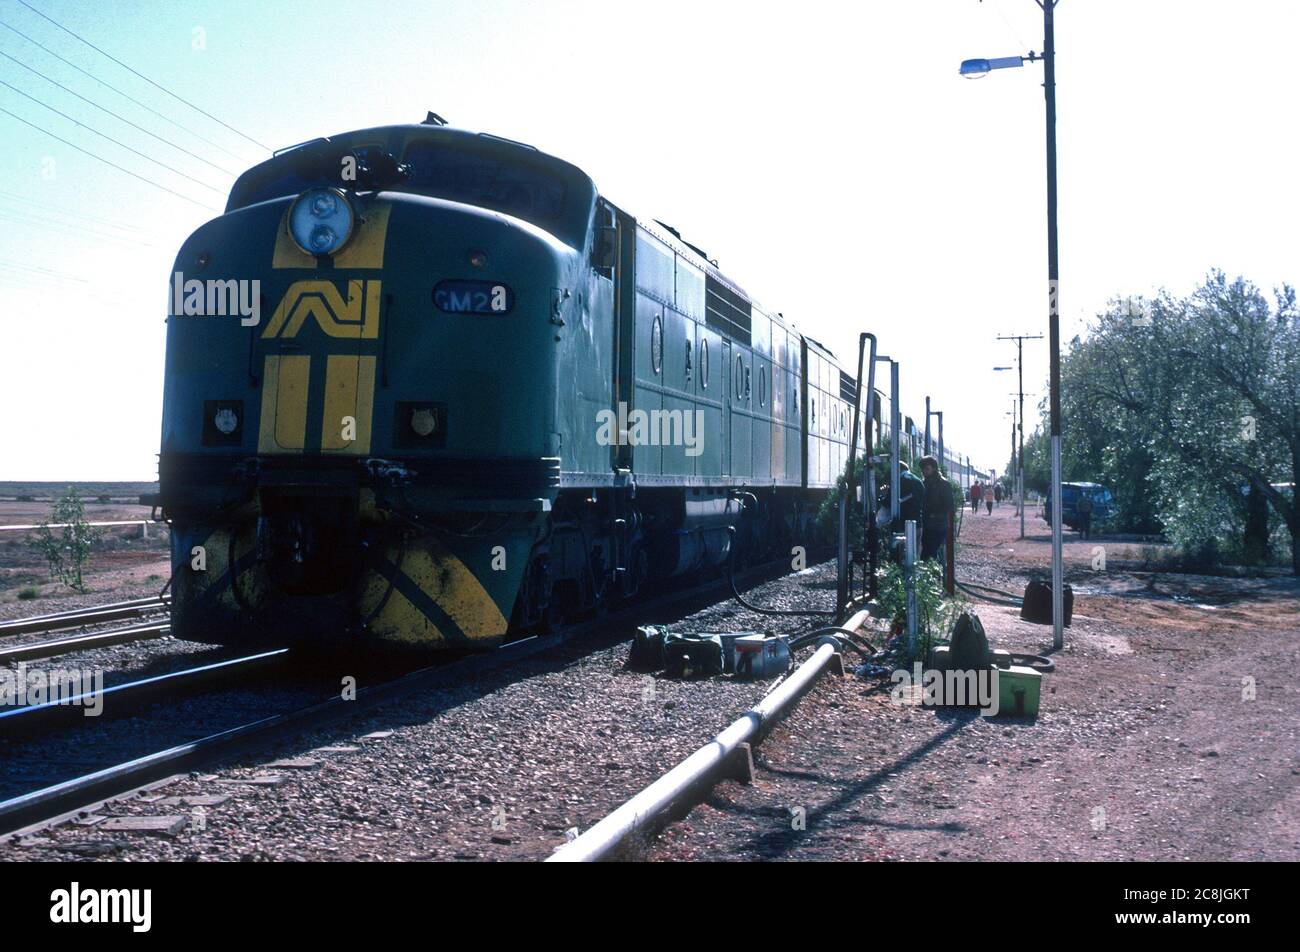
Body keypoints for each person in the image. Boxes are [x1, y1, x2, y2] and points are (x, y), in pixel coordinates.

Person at [919, 455, 953, 561]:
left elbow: (949, 505)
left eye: (926, 469)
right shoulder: (924, 483)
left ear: (933, 468)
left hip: (938, 524)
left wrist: (934, 513)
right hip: (927, 524)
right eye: (923, 469)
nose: (924, 471)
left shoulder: (943, 484)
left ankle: (936, 575)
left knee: (932, 553)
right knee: (926, 553)